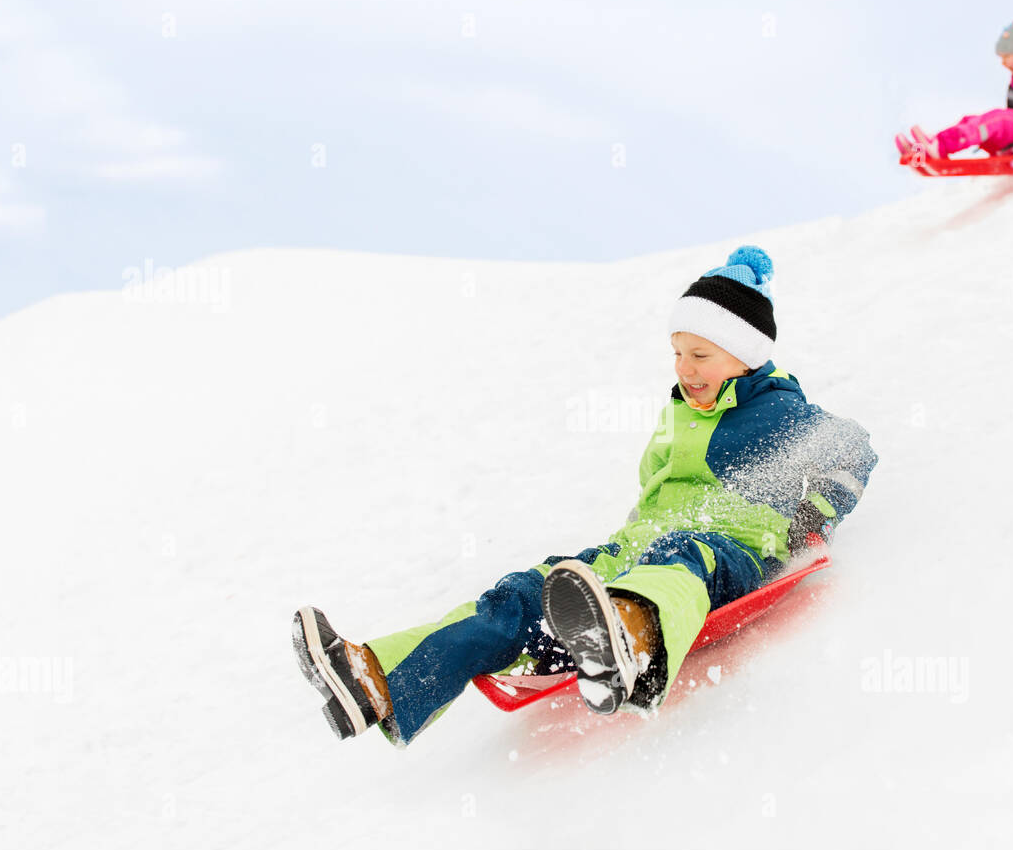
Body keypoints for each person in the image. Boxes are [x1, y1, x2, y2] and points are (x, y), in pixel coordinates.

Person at [292, 246, 878, 747]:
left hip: (725, 551)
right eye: (677, 352)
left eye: (700, 355)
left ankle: (630, 639)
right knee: (532, 591)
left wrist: (812, 516)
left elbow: (852, 448)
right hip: (634, 550)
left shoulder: (779, 408)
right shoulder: (678, 415)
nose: (684, 368)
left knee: (681, 555)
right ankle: (377, 679)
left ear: (745, 354)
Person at [896, 18, 1013, 170]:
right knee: (972, 122)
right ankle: (926, 147)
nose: (1003, 62)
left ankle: (938, 147)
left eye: (1006, 56)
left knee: (999, 120)